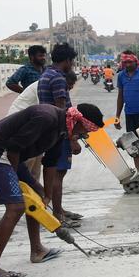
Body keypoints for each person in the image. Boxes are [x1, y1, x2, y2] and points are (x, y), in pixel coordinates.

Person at [0, 103, 104, 277]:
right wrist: (15, 181)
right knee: (16, 207)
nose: (83, 136)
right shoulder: (46, 118)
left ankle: (37, 250)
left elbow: (50, 163)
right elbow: (13, 147)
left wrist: (46, 195)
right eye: (85, 131)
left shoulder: (61, 130)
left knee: (37, 198)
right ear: (77, 121)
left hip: (13, 156)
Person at [35, 43, 81, 227]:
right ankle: (58, 215)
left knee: (53, 172)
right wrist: (72, 138)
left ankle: (59, 210)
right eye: (72, 61)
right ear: (67, 60)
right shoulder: (58, 78)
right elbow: (61, 111)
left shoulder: (45, 75)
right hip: (58, 132)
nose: (72, 64)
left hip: (48, 129)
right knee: (58, 174)